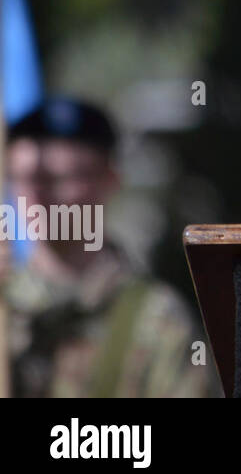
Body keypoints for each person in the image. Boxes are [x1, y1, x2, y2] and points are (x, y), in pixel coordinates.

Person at [2, 96, 217, 397]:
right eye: (26, 177)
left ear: (109, 180)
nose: (38, 196)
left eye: (60, 178)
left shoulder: (157, 321)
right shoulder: (6, 307)